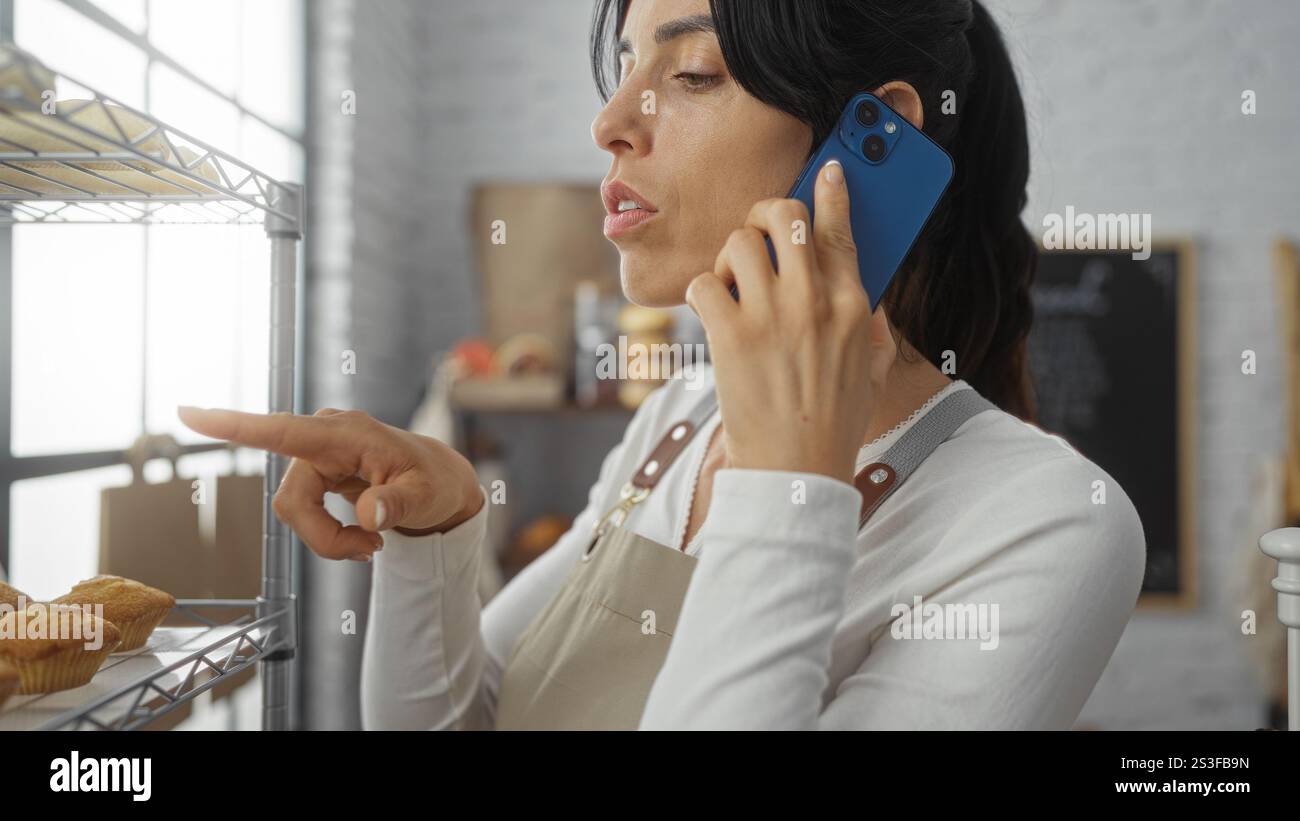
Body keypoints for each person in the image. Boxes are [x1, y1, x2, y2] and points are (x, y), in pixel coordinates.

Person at [178, 0, 1146, 729]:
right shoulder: (679, 419)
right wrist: (436, 538)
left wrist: (789, 483)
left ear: (873, 140)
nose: (609, 121)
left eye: (691, 77)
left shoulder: (1051, 523)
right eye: (627, 66)